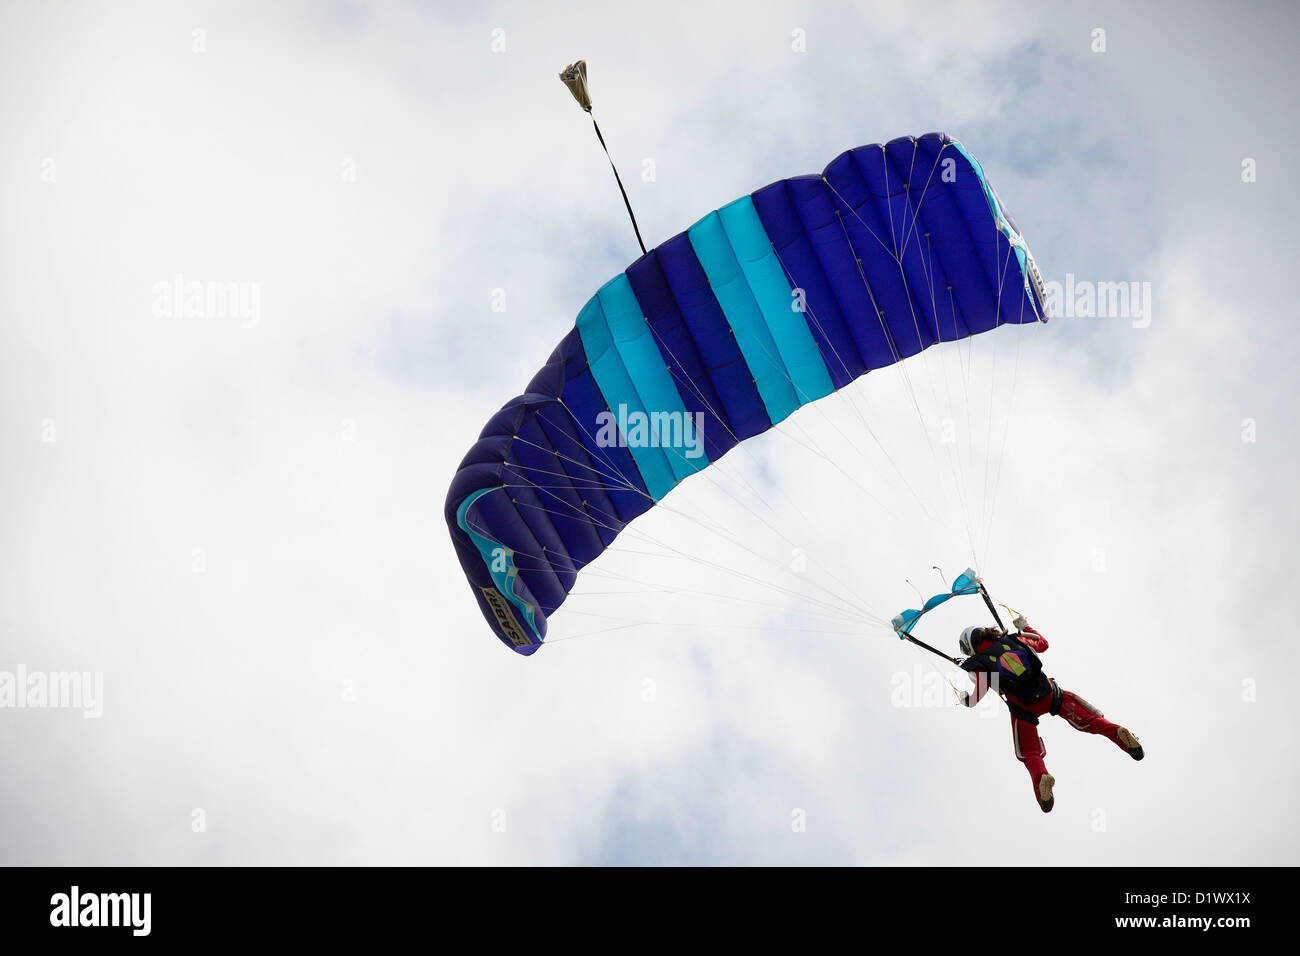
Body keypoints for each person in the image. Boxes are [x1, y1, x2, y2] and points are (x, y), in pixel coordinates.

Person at [955, 615, 1143, 813]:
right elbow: (1043, 644)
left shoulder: (978, 663)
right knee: (1091, 720)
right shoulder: (1014, 639)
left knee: (1030, 753)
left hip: (1023, 708)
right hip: (1049, 693)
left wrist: (966, 700)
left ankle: (1042, 777)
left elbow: (980, 691)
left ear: (970, 646)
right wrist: (1025, 626)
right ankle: (1119, 731)